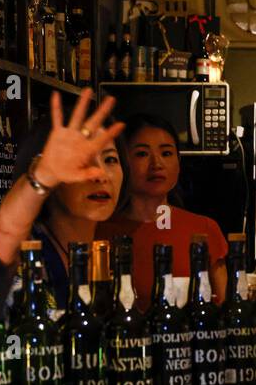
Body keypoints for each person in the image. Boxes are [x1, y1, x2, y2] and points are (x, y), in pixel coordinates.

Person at [0, 89, 126, 312]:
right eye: (83, 162)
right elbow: (7, 229)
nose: (100, 174)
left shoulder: (107, 255)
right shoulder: (30, 248)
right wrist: (43, 176)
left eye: (110, 159)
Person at [93, 113, 228, 310]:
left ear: (178, 162)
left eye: (166, 153)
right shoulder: (101, 233)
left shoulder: (203, 229)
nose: (156, 164)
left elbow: (225, 305)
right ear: (122, 161)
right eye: (142, 154)